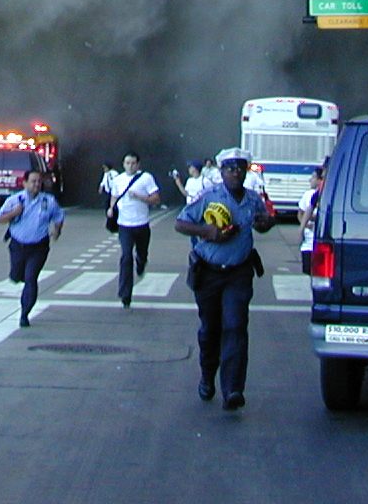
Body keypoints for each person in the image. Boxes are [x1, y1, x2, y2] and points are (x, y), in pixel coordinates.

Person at [175, 148, 274, 411]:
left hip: (238, 272)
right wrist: (207, 231)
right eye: (230, 169)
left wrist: (266, 223)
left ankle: (233, 388)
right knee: (210, 329)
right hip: (208, 271)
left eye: (240, 168)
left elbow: (263, 222)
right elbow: (181, 223)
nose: (236, 173)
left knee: (236, 326)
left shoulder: (252, 199)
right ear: (221, 172)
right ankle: (208, 375)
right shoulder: (209, 197)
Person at [0, 168, 64, 327]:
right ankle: (17, 276)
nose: (36, 185)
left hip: (38, 247)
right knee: (16, 276)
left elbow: (59, 216)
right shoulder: (15, 200)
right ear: (25, 183)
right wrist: (14, 213)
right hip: (18, 245)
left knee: (31, 278)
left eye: (39, 182)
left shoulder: (48, 201)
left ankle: (25, 313)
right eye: (33, 181)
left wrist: (57, 230)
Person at [108, 152, 162, 308]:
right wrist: (111, 208)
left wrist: (140, 197)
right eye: (127, 163)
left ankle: (141, 263)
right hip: (124, 225)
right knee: (126, 257)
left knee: (141, 253)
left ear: (138, 165)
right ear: (123, 164)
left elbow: (156, 199)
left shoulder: (146, 178)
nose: (130, 166)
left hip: (141, 224)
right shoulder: (118, 180)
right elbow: (114, 196)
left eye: (133, 163)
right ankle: (125, 294)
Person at [298, 164, 325, 274]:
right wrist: (303, 226)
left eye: (314, 177)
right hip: (307, 242)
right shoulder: (310, 194)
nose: (310, 180)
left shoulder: (326, 193)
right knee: (307, 270)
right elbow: (302, 213)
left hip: (320, 241)